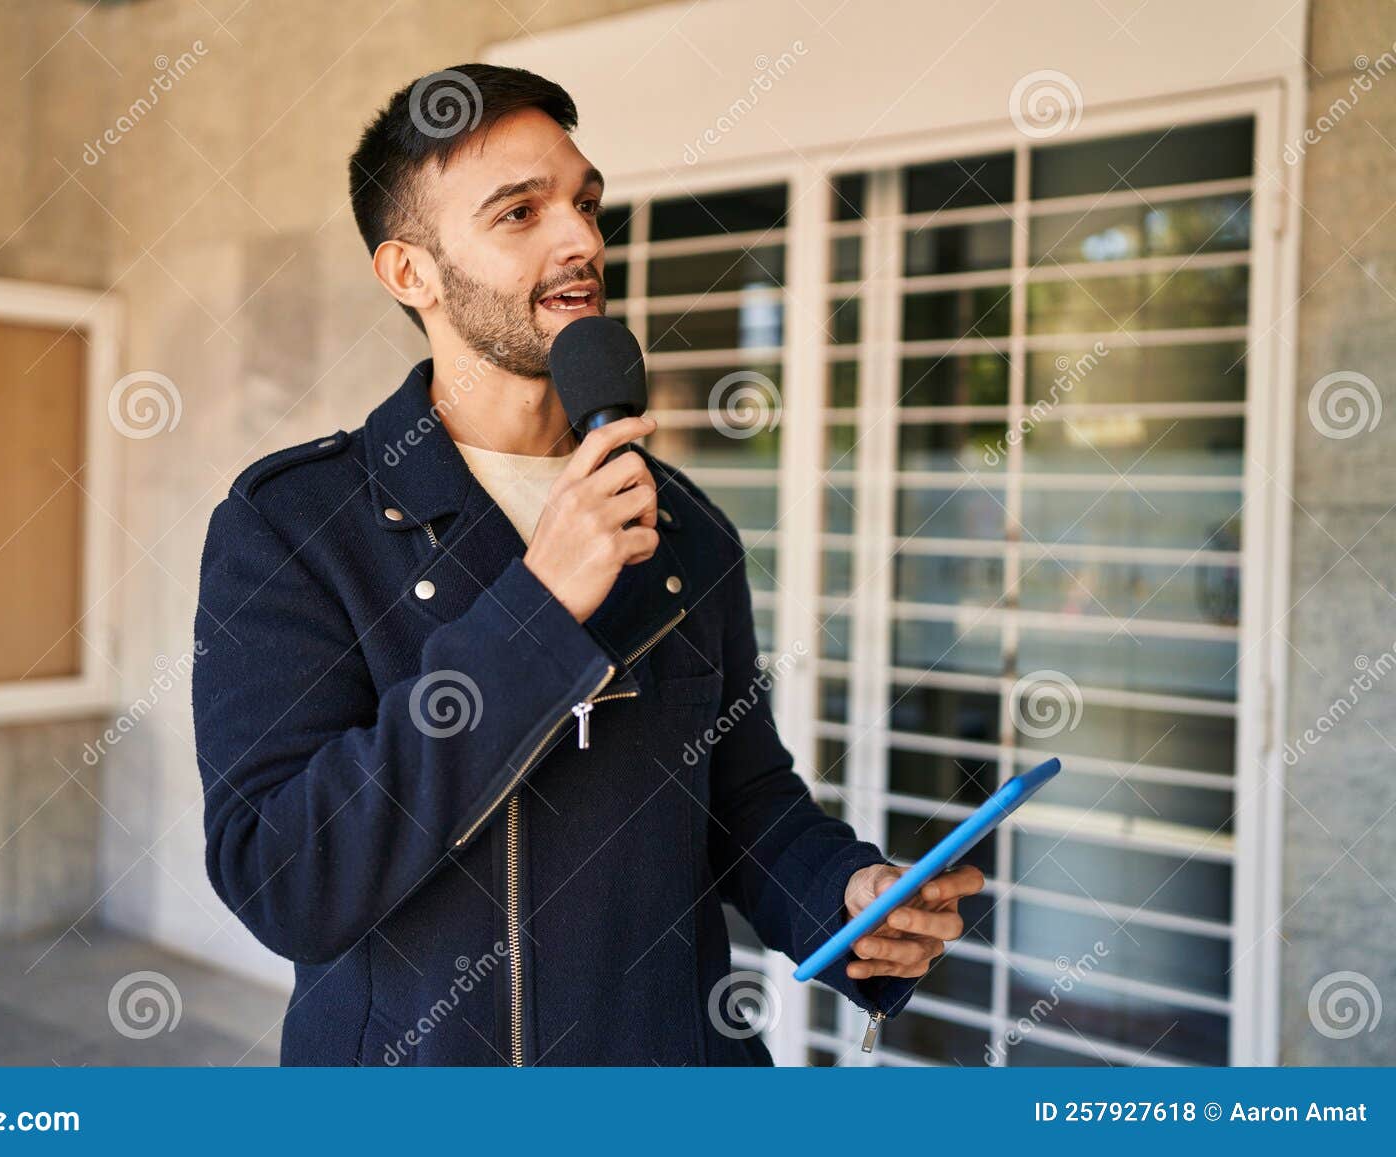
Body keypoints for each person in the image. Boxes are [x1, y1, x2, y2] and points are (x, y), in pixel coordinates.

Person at [192, 62, 983, 1066]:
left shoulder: (681, 527)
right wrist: (534, 609)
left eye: (585, 203)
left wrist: (846, 896)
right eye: (520, 213)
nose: (581, 241)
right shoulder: (297, 524)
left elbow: (744, 802)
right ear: (410, 273)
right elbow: (285, 874)